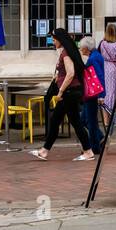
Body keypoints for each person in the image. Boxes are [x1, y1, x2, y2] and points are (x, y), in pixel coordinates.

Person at [30, 26, 96, 161]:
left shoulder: (66, 53)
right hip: (72, 92)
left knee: (57, 121)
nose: (53, 42)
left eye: (54, 39)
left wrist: (60, 91)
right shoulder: (68, 52)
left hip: (69, 92)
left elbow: (70, 73)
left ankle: (45, 151)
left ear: (60, 39)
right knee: (73, 122)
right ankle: (87, 151)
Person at [78, 37, 105, 154]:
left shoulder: (93, 59)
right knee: (84, 120)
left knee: (91, 121)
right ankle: (98, 137)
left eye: (81, 47)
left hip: (93, 94)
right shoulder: (95, 56)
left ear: (86, 48)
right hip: (92, 94)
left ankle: (94, 147)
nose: (80, 49)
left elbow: (99, 77)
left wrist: (101, 95)